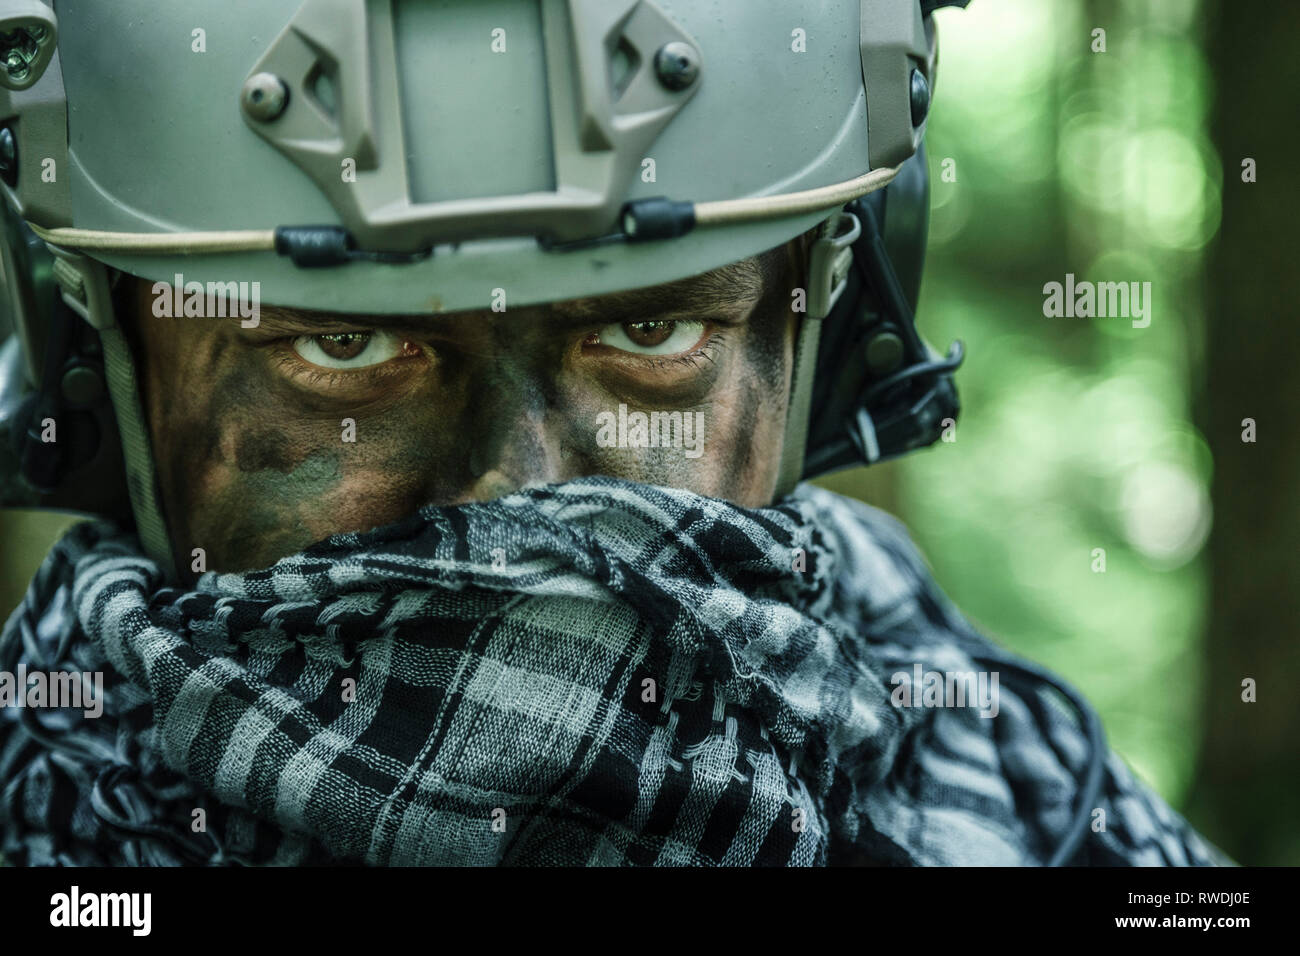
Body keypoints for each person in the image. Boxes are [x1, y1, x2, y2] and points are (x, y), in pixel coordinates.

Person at [0, 0, 1226, 865]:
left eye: (652, 336)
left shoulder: (1046, 817)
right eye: (345, 349)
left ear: (821, 342)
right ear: (106, 374)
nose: (517, 500)